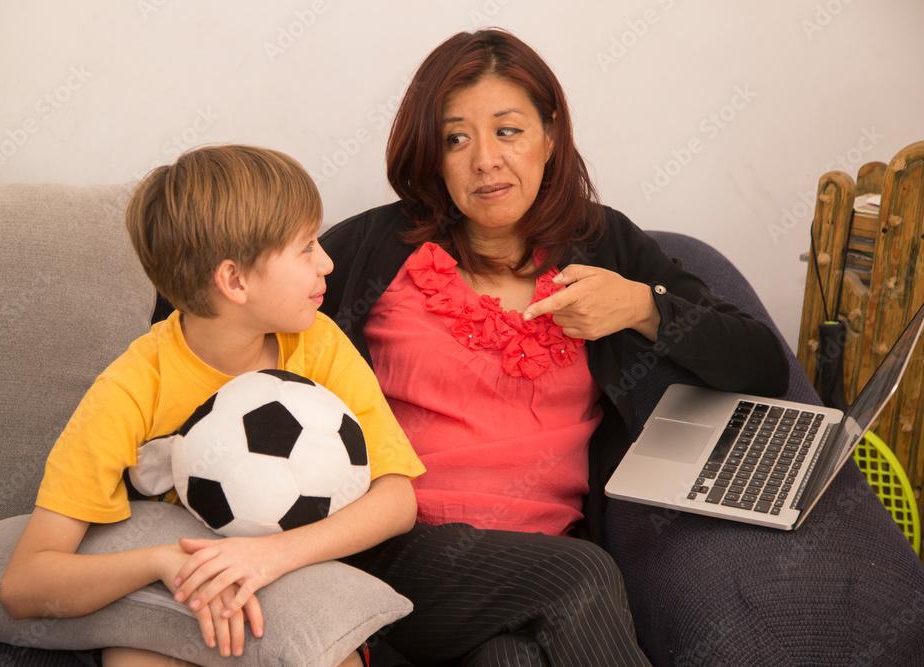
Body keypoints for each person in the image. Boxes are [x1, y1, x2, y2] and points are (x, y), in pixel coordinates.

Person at [319, 29, 790, 666]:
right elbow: (214, 316)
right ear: (431, 155)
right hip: (404, 551)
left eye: (508, 131)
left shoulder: (604, 244)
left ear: (550, 135)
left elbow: (761, 364)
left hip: (534, 563)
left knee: (509, 660)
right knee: (583, 575)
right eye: (456, 138)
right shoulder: (373, 249)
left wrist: (641, 306)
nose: (484, 159)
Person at [0, 145, 426, 667]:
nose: (328, 262)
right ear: (235, 281)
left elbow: (398, 501)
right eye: (307, 246)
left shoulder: (320, 344)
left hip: (296, 583)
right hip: (180, 603)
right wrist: (163, 563)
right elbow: (26, 583)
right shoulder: (132, 388)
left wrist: (267, 558)